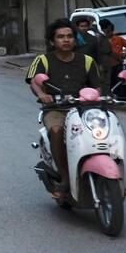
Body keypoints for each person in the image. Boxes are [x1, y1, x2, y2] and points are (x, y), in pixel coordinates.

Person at [26, 19, 104, 201]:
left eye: (69, 36)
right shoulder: (44, 60)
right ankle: (64, 178)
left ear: (75, 40)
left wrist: (95, 96)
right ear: (53, 41)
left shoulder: (87, 60)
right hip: (56, 109)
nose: (66, 40)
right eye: (61, 37)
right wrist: (42, 95)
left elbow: (97, 86)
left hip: (85, 109)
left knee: (107, 129)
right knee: (56, 130)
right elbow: (34, 82)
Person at [102, 18, 126, 92]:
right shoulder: (102, 40)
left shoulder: (118, 39)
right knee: (109, 84)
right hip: (107, 66)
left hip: (118, 64)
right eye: (105, 29)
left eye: (108, 29)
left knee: (119, 81)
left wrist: (125, 53)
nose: (107, 31)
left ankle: (119, 96)